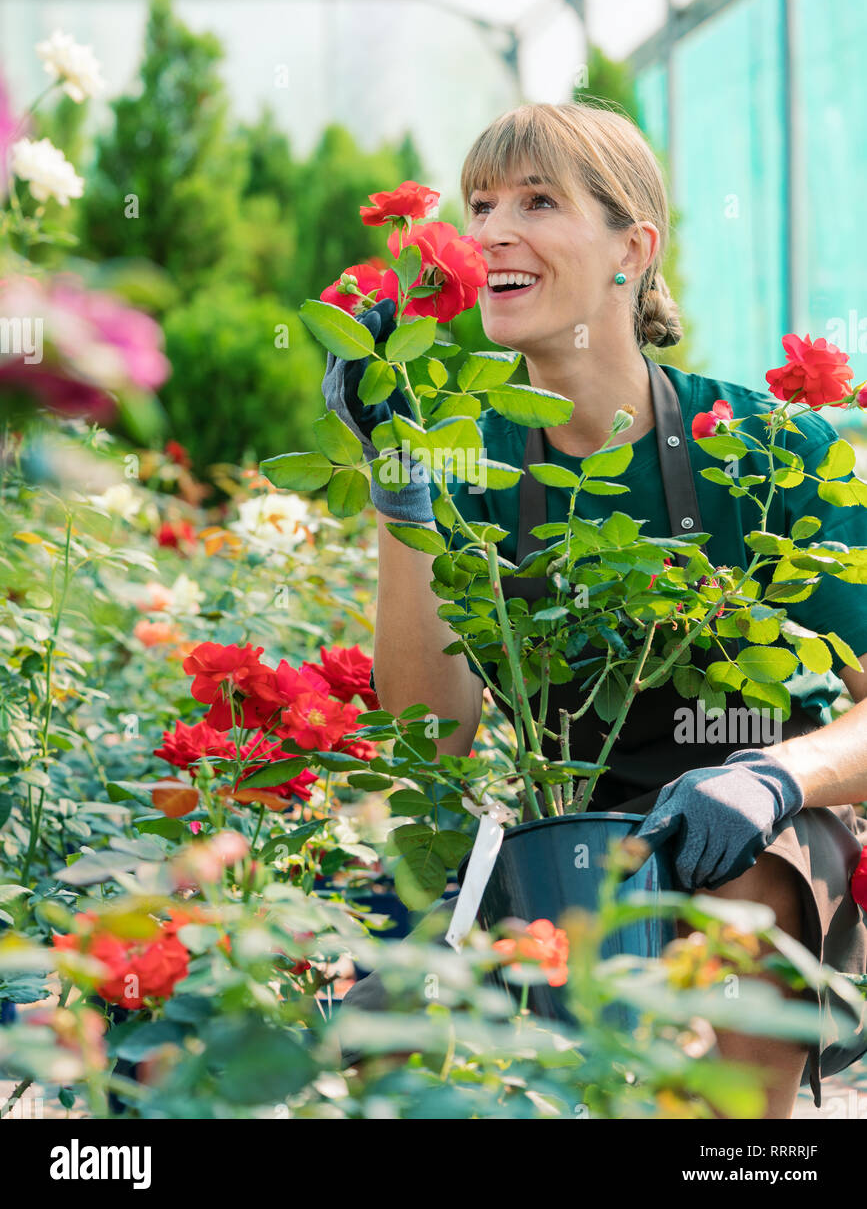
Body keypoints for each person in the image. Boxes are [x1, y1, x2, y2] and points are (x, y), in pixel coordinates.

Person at [323, 100, 867, 1119]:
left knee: (736, 919)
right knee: (387, 1011)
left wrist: (772, 777)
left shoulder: (766, 448)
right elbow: (430, 735)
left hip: (760, 818)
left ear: (633, 248)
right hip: (556, 827)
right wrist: (398, 483)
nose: (489, 232)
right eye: (480, 204)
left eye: (537, 200)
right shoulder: (463, 453)